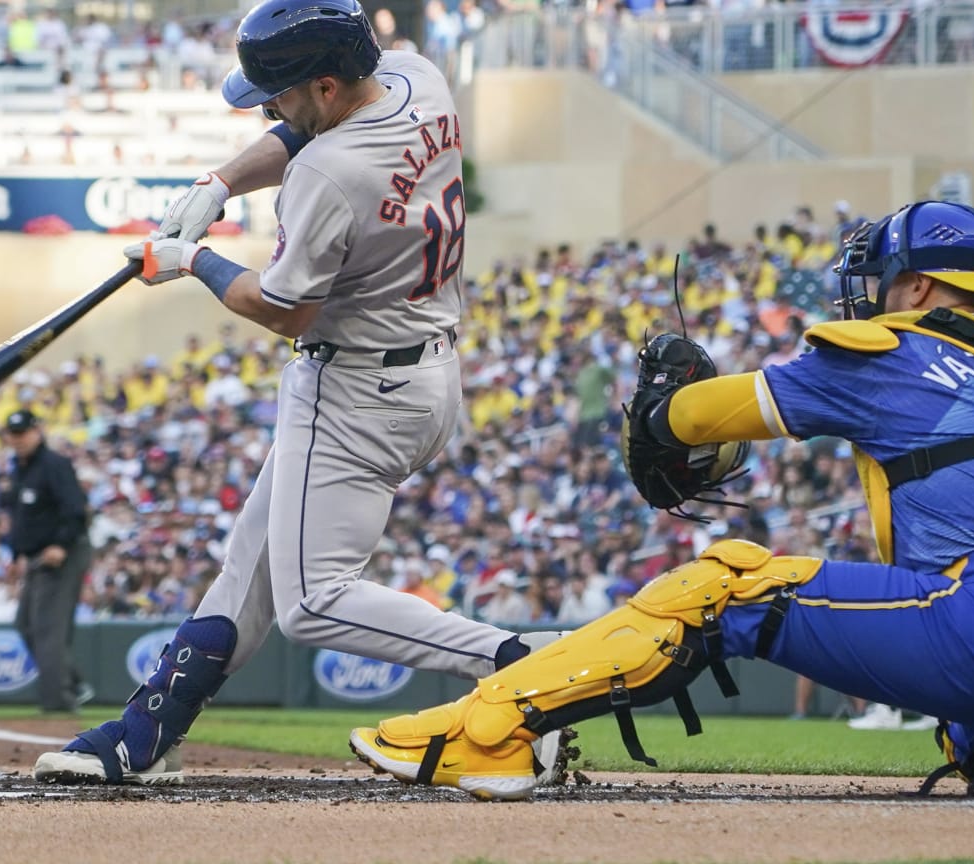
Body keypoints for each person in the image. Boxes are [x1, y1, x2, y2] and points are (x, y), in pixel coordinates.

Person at [350, 200, 974, 800]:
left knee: (727, 584)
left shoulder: (895, 351)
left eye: (883, 281)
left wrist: (658, 409)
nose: (872, 296)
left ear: (921, 288)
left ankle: (483, 736)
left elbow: (696, 419)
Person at [32, 0, 570, 788]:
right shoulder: (415, 78)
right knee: (248, 568)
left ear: (324, 83)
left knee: (313, 601)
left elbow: (283, 307)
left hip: (353, 385)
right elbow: (301, 130)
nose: (269, 107)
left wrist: (193, 261)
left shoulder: (328, 174)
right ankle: (144, 733)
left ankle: (521, 666)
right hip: (421, 371)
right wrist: (219, 183)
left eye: (279, 91)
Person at [3, 410, 95, 713]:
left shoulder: (54, 464)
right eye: (13, 434)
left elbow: (75, 509)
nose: (18, 439)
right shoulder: (20, 467)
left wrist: (61, 544)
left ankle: (59, 701)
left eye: (23, 433)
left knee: (47, 628)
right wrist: (16, 554)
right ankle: (74, 683)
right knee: (26, 624)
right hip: (35, 556)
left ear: (36, 432)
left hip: (62, 554)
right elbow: (21, 519)